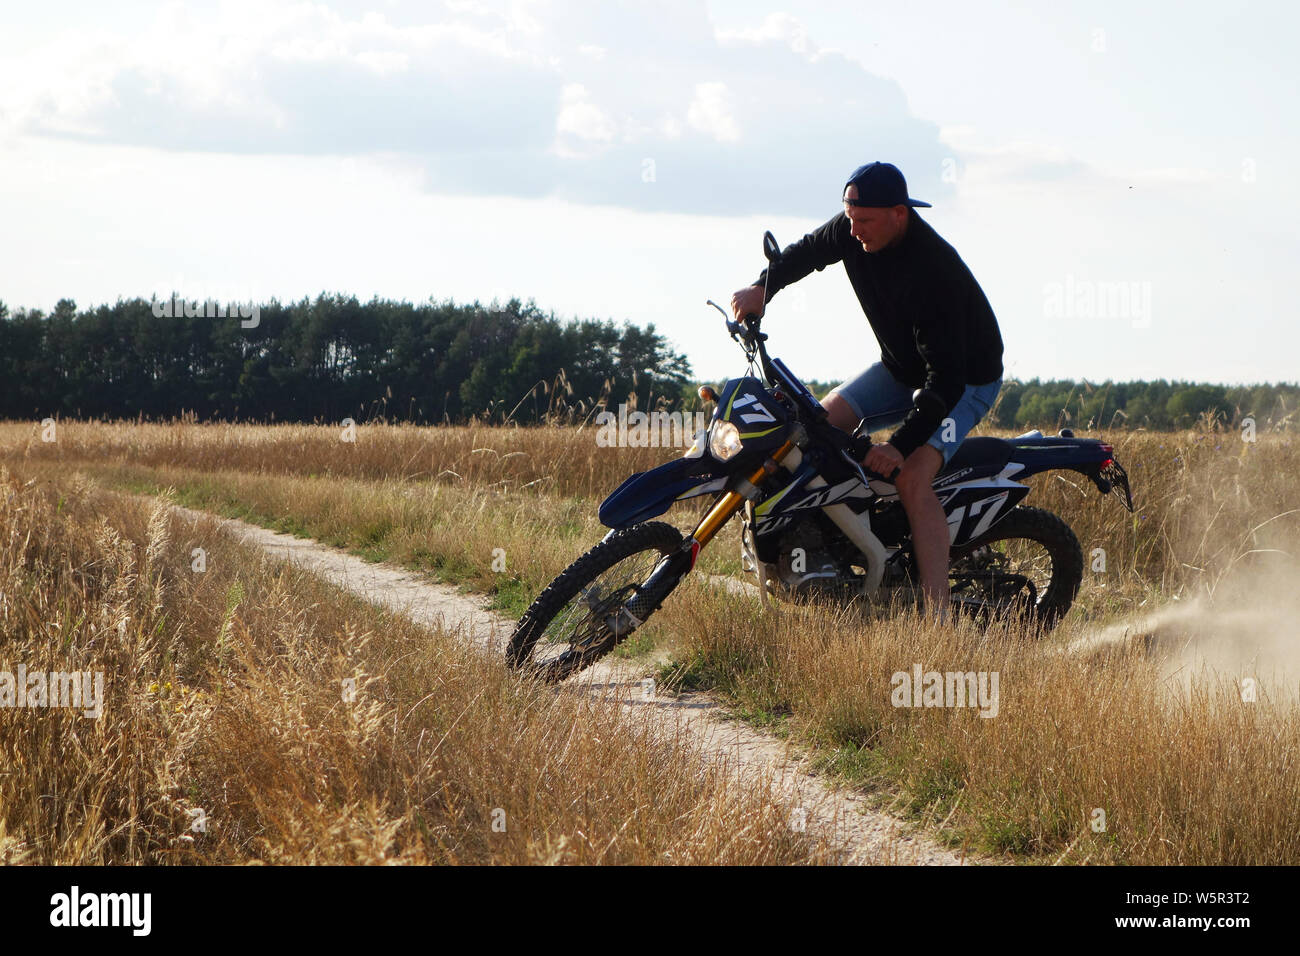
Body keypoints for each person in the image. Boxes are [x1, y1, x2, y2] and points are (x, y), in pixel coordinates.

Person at [729, 161, 1004, 618]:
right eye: (850, 219)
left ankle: (937, 618)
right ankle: (830, 553)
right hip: (900, 368)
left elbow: (945, 380)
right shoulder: (855, 225)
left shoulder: (934, 271)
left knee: (913, 477)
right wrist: (764, 287)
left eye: (865, 222)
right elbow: (807, 251)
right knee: (814, 427)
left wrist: (898, 446)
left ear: (900, 213)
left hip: (964, 381)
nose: (854, 232)